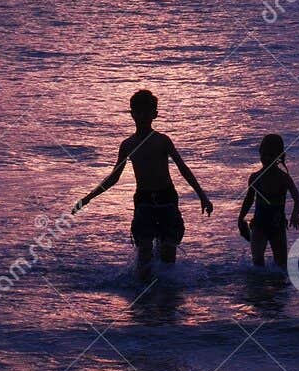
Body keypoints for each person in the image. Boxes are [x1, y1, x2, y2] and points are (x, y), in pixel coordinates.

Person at [74, 89, 213, 277]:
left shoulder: (162, 140)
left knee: (168, 251)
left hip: (167, 197)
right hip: (143, 200)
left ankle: (168, 298)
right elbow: (114, 178)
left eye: (147, 112)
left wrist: (202, 196)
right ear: (132, 114)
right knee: (144, 252)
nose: (142, 116)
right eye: (138, 112)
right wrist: (88, 198)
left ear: (154, 114)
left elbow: (183, 168)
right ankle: (145, 297)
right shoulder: (128, 145)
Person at [238, 134, 299, 268]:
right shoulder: (255, 177)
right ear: (260, 153)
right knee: (257, 262)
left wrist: (295, 214)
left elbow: (298, 200)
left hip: (278, 227)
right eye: (264, 154)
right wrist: (241, 218)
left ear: (279, 157)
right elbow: (249, 199)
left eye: (271, 155)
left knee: (282, 265)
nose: (267, 158)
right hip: (258, 225)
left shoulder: (284, 178)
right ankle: (258, 288)